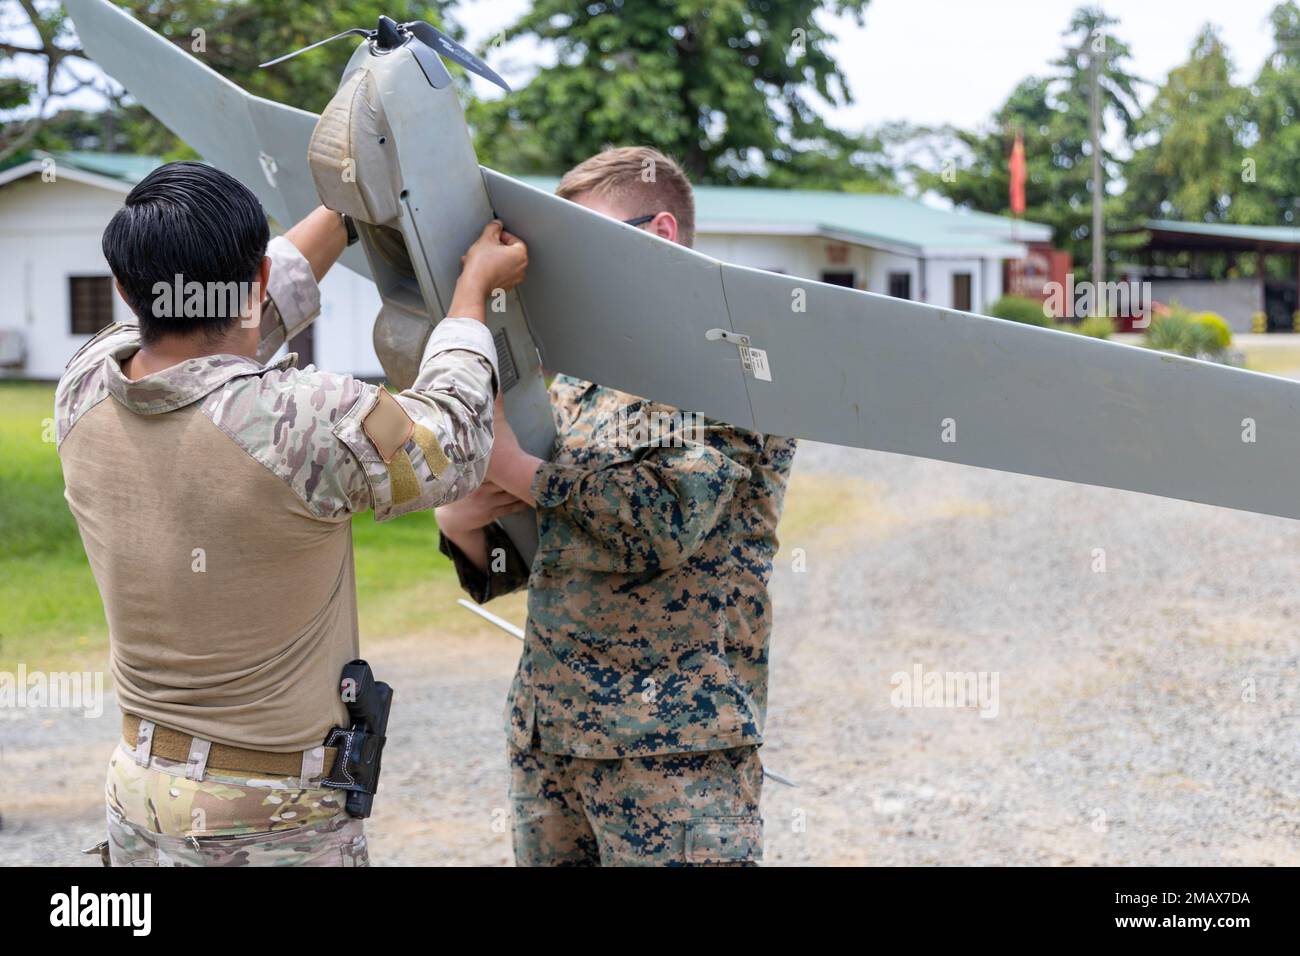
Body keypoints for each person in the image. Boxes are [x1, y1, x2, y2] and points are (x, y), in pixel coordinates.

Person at [56, 161, 527, 866]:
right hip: (270, 819)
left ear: (125, 289)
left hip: (140, 795)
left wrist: (347, 209)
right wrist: (472, 294)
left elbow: (222, 334)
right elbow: (454, 439)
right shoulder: (308, 420)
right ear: (256, 284)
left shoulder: (83, 386)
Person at [436, 146, 797, 866]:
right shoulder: (576, 373)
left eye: (587, 242)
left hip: (674, 751)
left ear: (659, 234)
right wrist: (466, 524)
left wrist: (518, 469)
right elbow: (534, 554)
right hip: (552, 737)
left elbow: (661, 522)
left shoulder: (736, 365)